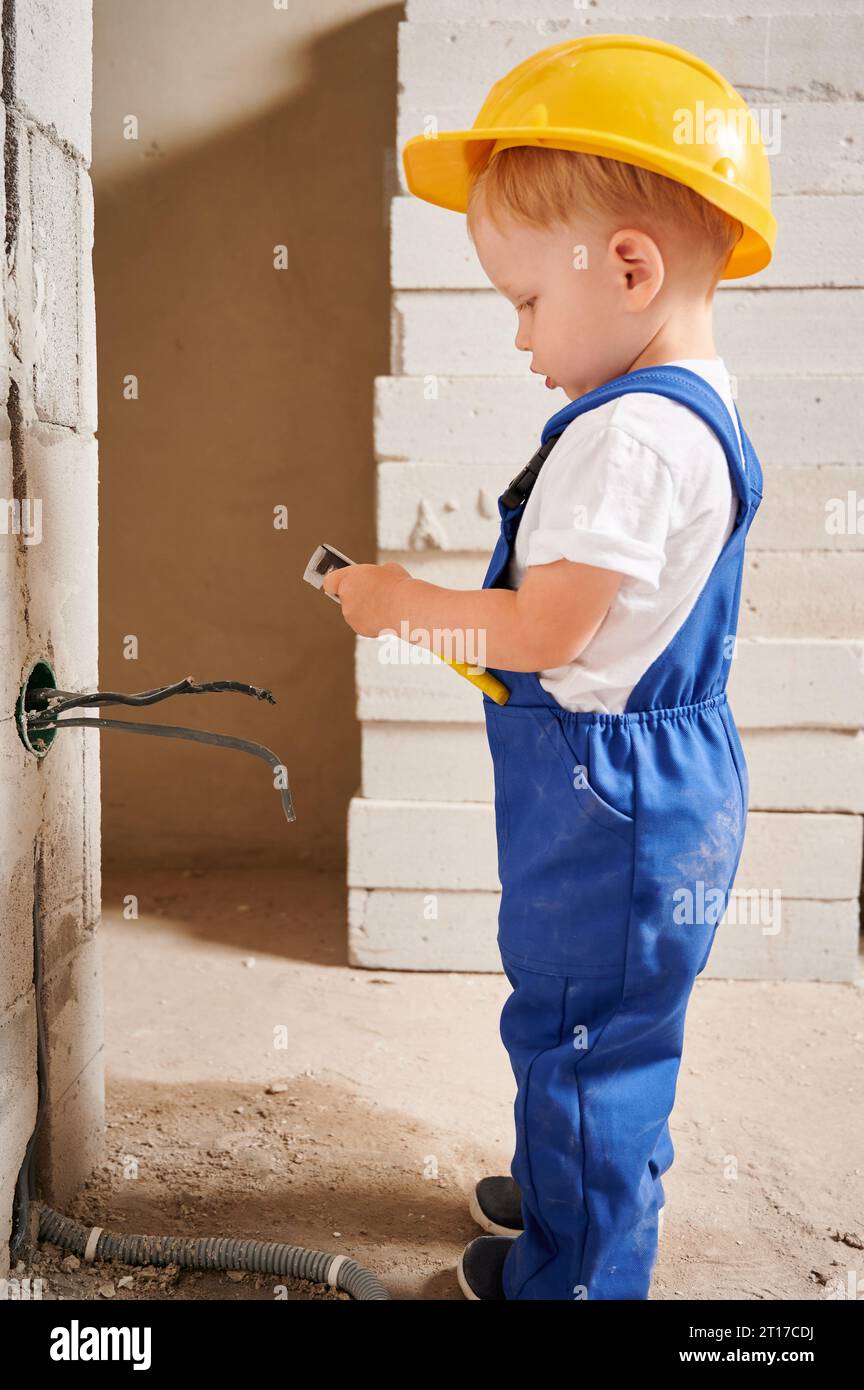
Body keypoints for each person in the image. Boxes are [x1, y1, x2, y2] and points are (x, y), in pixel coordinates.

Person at [325, 33, 776, 1300]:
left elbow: (543, 635)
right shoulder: (696, 400)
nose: (519, 335)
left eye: (524, 302)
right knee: (587, 1013)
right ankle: (566, 1168)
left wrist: (403, 601)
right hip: (648, 777)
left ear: (628, 266)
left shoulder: (628, 436)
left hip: (612, 808)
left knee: (589, 1040)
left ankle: (577, 1273)